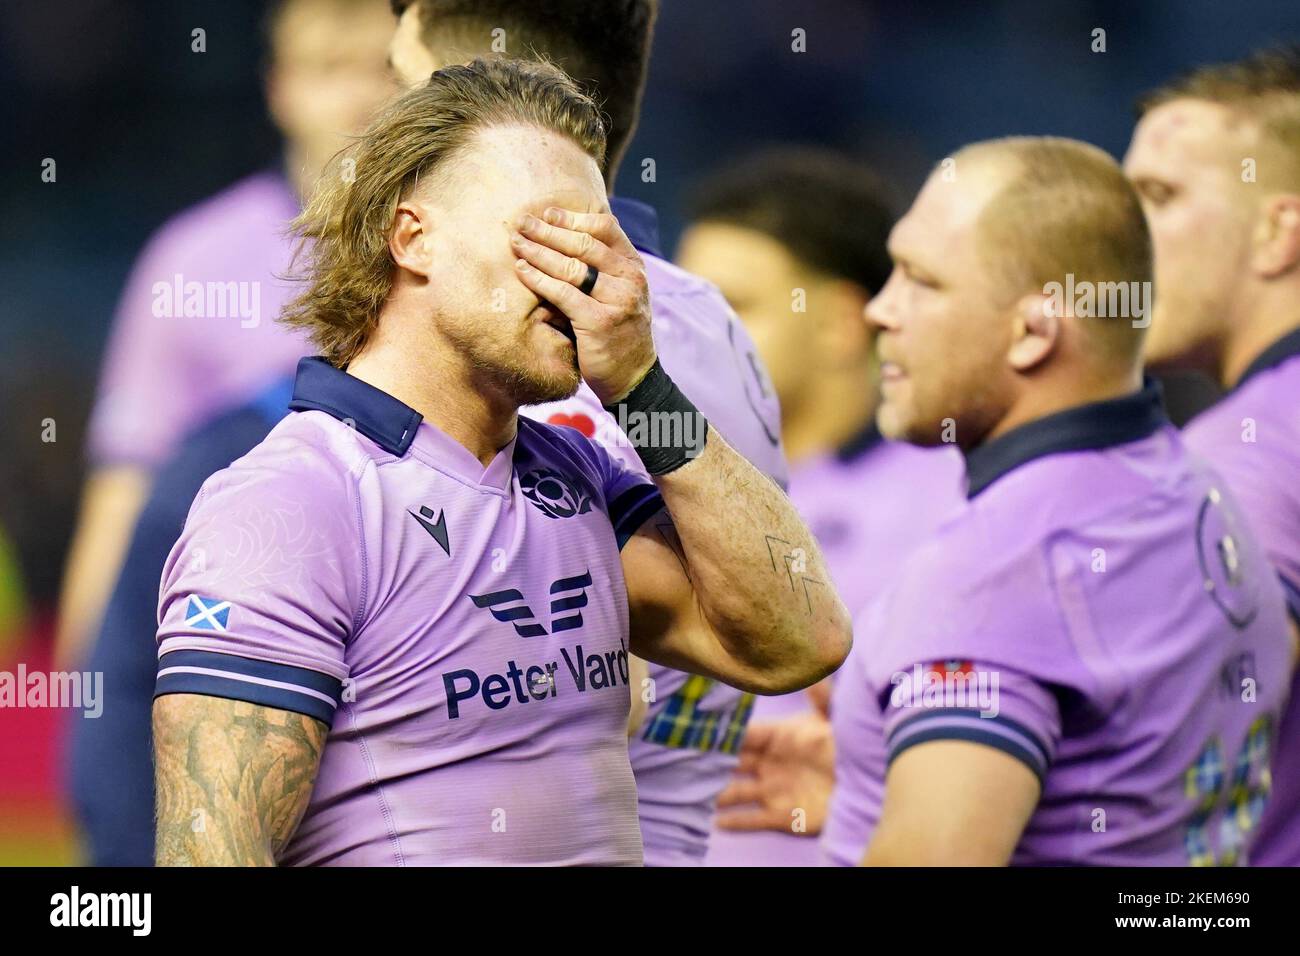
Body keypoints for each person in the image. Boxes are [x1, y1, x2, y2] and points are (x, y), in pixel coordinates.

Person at [151, 59, 851, 866]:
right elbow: (210, 854)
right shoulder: (295, 501)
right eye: (546, 238)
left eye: (597, 246)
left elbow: (798, 641)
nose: (585, 279)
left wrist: (641, 386)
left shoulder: (577, 478)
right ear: (412, 239)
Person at [388, 0, 794, 865]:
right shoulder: (713, 324)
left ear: (461, 117)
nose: (380, 136)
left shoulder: (520, 365)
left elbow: (583, 675)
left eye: (398, 92)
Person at [807, 136, 1286, 865]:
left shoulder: (995, 572)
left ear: (1032, 332)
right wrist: (876, 794)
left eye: (920, 280)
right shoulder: (1199, 489)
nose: (880, 311)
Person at [54, 0, 397, 669]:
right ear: (280, 88)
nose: (360, 97)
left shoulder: (460, 255)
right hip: (242, 654)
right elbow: (123, 500)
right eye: (329, 68)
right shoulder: (193, 260)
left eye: (382, 68)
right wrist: (90, 704)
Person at [674, 148, 962, 865]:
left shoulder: (954, 506)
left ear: (838, 323)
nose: (686, 338)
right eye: (680, 306)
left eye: (731, 307)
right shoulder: (635, 487)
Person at [1125, 47, 1300, 866]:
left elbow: (1176, 784)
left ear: (1279, 231)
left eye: (1157, 198)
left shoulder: (1248, 452)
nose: (1115, 241)